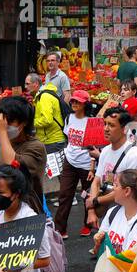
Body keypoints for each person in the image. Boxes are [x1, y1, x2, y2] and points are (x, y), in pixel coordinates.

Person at [85, 107, 137, 229]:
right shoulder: (105, 151)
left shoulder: (134, 155)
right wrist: (91, 210)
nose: (106, 129)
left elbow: (127, 191)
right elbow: (97, 181)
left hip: (126, 216)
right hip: (107, 216)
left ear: (125, 129)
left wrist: (96, 201)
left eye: (111, 125)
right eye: (105, 124)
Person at [54, 90, 95, 239]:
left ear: (85, 104)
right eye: (73, 101)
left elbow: (95, 146)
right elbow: (68, 138)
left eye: (78, 102)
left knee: (87, 195)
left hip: (86, 164)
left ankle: (87, 225)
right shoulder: (68, 118)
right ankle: (59, 229)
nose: (74, 104)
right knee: (64, 194)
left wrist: (92, 166)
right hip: (69, 161)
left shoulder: (92, 121)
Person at [0, 95, 48, 204]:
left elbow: (12, 166)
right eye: (1, 121)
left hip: (27, 211)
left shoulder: (36, 147)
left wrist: (2, 132)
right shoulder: (4, 144)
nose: (4, 126)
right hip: (4, 208)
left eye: (9, 122)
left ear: (24, 123)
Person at [29, 72, 68, 157]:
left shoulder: (44, 97)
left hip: (53, 141)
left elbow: (47, 120)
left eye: (27, 84)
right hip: (50, 140)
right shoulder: (41, 96)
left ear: (35, 84)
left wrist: (31, 123)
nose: (25, 86)